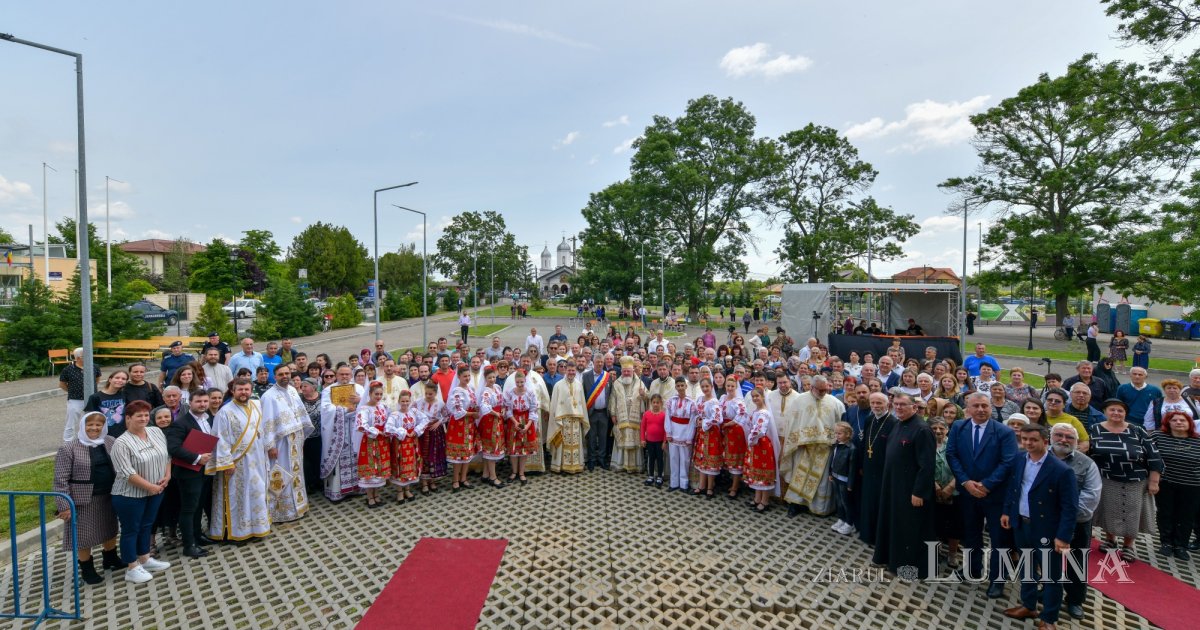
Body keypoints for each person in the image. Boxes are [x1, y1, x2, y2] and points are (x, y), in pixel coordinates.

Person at [1000, 424, 1078, 630]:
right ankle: (1028, 605)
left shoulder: (1061, 470)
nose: (1027, 443)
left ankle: (1049, 618)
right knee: (1026, 567)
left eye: (1033, 440)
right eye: (1024, 439)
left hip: (1046, 529)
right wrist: (1008, 511)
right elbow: (1014, 487)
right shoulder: (1019, 459)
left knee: (1050, 576)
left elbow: (1070, 508)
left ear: (1045, 441)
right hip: (1021, 523)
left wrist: (1063, 537)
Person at [945, 391, 1019, 599]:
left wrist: (986, 485)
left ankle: (997, 580)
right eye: (975, 406)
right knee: (972, 533)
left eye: (984, 406)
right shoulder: (959, 427)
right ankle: (974, 569)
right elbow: (952, 454)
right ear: (967, 409)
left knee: (999, 539)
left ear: (990, 408)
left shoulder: (1004, 432)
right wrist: (966, 482)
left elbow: (1008, 462)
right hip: (968, 493)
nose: (980, 410)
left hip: (995, 495)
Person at [1088, 398, 1163, 562]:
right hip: (1107, 479)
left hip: (1136, 480)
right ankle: (1110, 539)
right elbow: (1088, 453)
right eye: (1112, 410)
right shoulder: (1094, 429)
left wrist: (1154, 481)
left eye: (1120, 410)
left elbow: (1154, 456)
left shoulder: (1137, 430)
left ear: (1125, 413)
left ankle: (1128, 545)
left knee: (1132, 513)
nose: (1116, 413)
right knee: (1109, 510)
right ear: (1105, 412)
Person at [871, 392, 937, 579]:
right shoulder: (898, 424)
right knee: (895, 524)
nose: (898, 408)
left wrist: (919, 492)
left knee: (911, 528)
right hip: (893, 485)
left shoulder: (922, 430)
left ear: (914, 408)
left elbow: (927, 465)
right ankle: (892, 560)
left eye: (903, 405)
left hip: (911, 490)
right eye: (896, 404)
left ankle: (912, 568)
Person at [108, 400, 172, 584]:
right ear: (128, 418)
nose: (144, 419)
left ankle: (145, 558)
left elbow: (166, 456)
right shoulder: (121, 443)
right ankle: (132, 567)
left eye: (146, 415)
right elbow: (126, 472)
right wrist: (150, 486)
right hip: (129, 495)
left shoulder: (156, 431)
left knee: (147, 524)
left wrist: (167, 476)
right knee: (131, 529)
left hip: (157, 489)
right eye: (139, 416)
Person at [53, 411, 120, 584]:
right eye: (90, 424)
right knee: (84, 535)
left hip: (109, 494)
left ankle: (110, 558)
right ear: (82, 426)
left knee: (109, 528)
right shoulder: (69, 448)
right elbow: (60, 479)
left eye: (99, 425)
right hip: (82, 500)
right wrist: (64, 506)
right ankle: (87, 568)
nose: (94, 428)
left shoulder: (110, 441)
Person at [1049, 422, 1102, 621]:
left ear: (1077, 442)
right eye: (1059, 435)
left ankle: (1074, 599)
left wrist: (1065, 515)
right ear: (1050, 437)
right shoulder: (1039, 456)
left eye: (1069, 437)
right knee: (1044, 559)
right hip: (1045, 520)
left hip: (1077, 522)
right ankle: (1047, 591)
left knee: (1076, 561)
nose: (1063, 440)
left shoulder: (1087, 463)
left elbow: (1091, 497)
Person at [208, 378, 271, 541]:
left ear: (251, 391)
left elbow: (263, 429)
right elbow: (220, 438)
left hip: (257, 459)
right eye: (240, 389)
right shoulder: (225, 412)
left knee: (257, 493)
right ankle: (238, 532)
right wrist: (226, 462)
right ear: (233, 391)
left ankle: (258, 528)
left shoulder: (256, 405)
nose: (244, 392)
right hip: (236, 462)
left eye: (247, 389)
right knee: (238, 497)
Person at [780, 375, 842, 517]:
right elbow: (792, 422)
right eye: (820, 390)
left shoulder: (835, 403)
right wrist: (795, 441)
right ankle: (795, 505)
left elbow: (840, 424)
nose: (823, 393)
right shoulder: (799, 400)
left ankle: (819, 508)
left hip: (825, 449)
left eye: (825, 390)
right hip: (803, 447)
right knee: (800, 476)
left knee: (821, 481)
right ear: (812, 387)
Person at [165, 389, 216, 560]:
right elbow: (173, 448)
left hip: (205, 471)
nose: (202, 405)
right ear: (190, 403)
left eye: (205, 402)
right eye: (198, 402)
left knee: (199, 507)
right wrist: (197, 457)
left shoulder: (208, 419)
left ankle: (197, 535)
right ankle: (189, 545)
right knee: (188, 509)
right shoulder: (181, 423)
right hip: (188, 473)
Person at [259, 364, 313, 523]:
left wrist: (301, 437)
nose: (285, 376)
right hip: (280, 442)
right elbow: (266, 423)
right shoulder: (268, 396)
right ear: (274, 376)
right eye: (281, 374)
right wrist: (270, 446)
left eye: (287, 373)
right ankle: (280, 512)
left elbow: (300, 413)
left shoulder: (292, 390)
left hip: (295, 439)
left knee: (296, 473)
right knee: (280, 474)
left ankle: (299, 506)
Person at [1150, 411, 1200, 560]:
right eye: (1175, 420)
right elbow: (1150, 456)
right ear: (1168, 423)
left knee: (1186, 516)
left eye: (1183, 420)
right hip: (1166, 483)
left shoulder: (1197, 441)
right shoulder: (1158, 437)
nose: (1179, 422)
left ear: (1190, 423)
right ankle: (1166, 543)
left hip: (1193, 485)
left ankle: (1181, 546)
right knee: (1165, 513)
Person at [856, 392, 896, 545]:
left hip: (883, 470)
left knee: (880, 503)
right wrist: (861, 465)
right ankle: (866, 533)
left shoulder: (893, 422)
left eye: (879, 403)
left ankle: (879, 537)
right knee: (868, 501)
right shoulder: (869, 419)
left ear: (887, 404)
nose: (875, 406)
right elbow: (865, 444)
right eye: (873, 403)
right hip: (868, 467)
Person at [320, 365, 364, 501]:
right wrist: (344, 410)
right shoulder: (328, 390)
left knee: (356, 455)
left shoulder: (359, 388)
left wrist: (360, 401)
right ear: (336, 375)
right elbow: (326, 409)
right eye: (341, 374)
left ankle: (358, 487)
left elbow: (368, 405)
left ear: (351, 375)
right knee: (339, 459)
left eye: (347, 374)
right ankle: (338, 491)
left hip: (355, 430)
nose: (344, 377)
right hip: (338, 431)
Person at [928, 416, 961, 570]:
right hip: (931, 491)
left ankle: (952, 553)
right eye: (934, 428)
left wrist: (950, 487)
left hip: (953, 491)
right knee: (934, 522)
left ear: (948, 430)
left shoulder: (955, 445)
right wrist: (934, 485)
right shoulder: (925, 445)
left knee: (955, 523)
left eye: (942, 428)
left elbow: (963, 467)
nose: (938, 431)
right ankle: (935, 550)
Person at [384, 390, 427, 503]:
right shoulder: (395, 414)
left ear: (410, 401)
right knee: (400, 465)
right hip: (400, 444)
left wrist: (416, 430)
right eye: (402, 401)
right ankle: (399, 492)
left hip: (412, 443)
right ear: (399, 401)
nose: (405, 403)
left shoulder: (414, 411)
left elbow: (425, 420)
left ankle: (407, 489)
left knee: (410, 465)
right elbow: (388, 427)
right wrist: (402, 432)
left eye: (407, 401)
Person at [548, 362, 588, 474]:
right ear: (565, 370)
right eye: (569, 370)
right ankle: (561, 466)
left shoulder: (579, 384)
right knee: (563, 444)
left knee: (575, 443)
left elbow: (582, 403)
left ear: (575, 371)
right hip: (563, 421)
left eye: (573, 370)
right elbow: (555, 403)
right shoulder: (558, 385)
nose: (571, 372)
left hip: (575, 421)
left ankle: (576, 465)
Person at [744, 387, 780, 513]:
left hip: (762, 443)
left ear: (763, 397)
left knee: (763, 471)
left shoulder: (764, 413)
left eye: (757, 396)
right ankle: (757, 497)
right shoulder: (756, 411)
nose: (755, 399)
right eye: (753, 396)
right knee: (756, 470)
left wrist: (750, 439)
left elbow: (759, 430)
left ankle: (765, 500)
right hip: (757, 444)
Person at [356, 382, 392, 507]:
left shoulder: (383, 407)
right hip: (371, 441)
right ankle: (369, 496)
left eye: (381, 394)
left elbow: (389, 420)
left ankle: (377, 494)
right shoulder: (364, 409)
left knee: (380, 468)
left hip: (383, 441)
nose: (378, 396)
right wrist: (377, 431)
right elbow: (361, 425)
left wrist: (388, 429)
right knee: (371, 468)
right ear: (370, 394)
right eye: (376, 394)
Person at [609, 357, 647, 473]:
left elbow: (648, 398)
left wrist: (644, 394)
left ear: (632, 371)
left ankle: (635, 466)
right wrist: (613, 414)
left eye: (628, 371)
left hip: (635, 419)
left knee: (635, 442)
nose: (626, 373)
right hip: (621, 418)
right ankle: (620, 465)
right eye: (624, 371)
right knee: (622, 441)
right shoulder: (617, 383)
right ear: (622, 371)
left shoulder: (640, 382)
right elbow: (612, 399)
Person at [446, 366, 481, 487]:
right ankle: (455, 480)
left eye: (468, 376)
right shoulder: (457, 391)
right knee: (458, 454)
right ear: (459, 377)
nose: (467, 378)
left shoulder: (470, 388)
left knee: (467, 452)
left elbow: (473, 404)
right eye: (464, 376)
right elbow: (458, 411)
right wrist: (473, 413)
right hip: (459, 425)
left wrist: (476, 409)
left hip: (469, 424)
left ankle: (463, 478)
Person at [504, 371, 539, 485]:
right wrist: (515, 422)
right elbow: (508, 410)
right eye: (517, 382)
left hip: (526, 420)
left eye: (522, 382)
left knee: (524, 449)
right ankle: (514, 472)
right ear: (515, 381)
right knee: (514, 449)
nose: (520, 384)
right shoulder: (510, 393)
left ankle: (522, 473)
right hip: (513, 421)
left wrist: (528, 426)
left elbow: (533, 409)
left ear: (525, 381)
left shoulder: (530, 392)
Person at [663, 377, 697, 492]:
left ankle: (684, 484)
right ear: (676, 387)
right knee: (673, 458)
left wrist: (689, 437)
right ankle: (674, 483)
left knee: (685, 459)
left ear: (686, 386)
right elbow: (667, 418)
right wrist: (668, 432)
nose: (681, 388)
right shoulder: (671, 401)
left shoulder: (691, 403)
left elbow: (692, 421)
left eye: (683, 385)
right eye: (678, 386)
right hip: (673, 432)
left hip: (685, 433)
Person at [414, 383, 448, 494]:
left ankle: (432, 481)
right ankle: (424, 483)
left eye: (431, 394)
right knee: (424, 455)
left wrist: (439, 422)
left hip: (435, 432)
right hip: (423, 432)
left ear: (435, 393)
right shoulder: (418, 402)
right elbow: (411, 414)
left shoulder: (440, 404)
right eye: (427, 393)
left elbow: (447, 416)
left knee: (434, 456)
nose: (428, 396)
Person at [692, 378, 723, 497]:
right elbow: (696, 413)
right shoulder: (700, 399)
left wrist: (704, 422)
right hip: (702, 432)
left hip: (711, 433)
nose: (705, 389)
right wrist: (698, 420)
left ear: (711, 387)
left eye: (707, 387)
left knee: (710, 459)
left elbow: (718, 419)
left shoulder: (714, 402)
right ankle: (701, 485)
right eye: (703, 387)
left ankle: (710, 487)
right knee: (701, 458)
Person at [476, 367, 507, 487]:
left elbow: (502, 402)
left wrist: (503, 409)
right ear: (485, 379)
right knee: (491, 448)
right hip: (490, 420)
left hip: (497, 419)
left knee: (493, 446)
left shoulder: (497, 388)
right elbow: (484, 406)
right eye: (489, 378)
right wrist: (496, 413)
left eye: (494, 377)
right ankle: (493, 477)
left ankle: (485, 474)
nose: (492, 380)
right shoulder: (486, 391)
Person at [582, 356, 613, 472]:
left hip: (604, 413)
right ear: (593, 363)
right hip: (591, 413)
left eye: (601, 362)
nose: (599, 364)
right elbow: (584, 394)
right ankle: (591, 460)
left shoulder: (607, 376)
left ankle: (601, 459)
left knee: (603, 437)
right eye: (597, 362)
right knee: (591, 438)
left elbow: (610, 394)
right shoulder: (586, 376)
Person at [720, 378, 750, 498]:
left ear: (736, 387)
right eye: (728, 386)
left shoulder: (738, 401)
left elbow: (742, 414)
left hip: (734, 430)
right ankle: (730, 482)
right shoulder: (723, 398)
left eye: (732, 386)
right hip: (724, 429)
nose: (730, 388)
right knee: (726, 455)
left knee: (735, 458)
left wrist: (729, 424)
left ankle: (735, 486)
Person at [828, 421, 856, 535]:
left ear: (848, 434)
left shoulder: (851, 449)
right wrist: (830, 473)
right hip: (835, 477)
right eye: (836, 433)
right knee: (838, 500)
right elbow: (832, 460)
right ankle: (841, 519)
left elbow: (852, 468)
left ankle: (850, 523)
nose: (837, 436)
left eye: (839, 434)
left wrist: (850, 484)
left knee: (846, 502)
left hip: (845, 480)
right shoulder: (836, 445)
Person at [85, 370, 129, 436]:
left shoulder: (124, 394)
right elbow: (90, 418)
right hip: (103, 434)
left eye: (123, 379)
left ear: (126, 382)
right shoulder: (95, 397)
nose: (120, 380)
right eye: (117, 378)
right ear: (110, 379)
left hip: (122, 433)